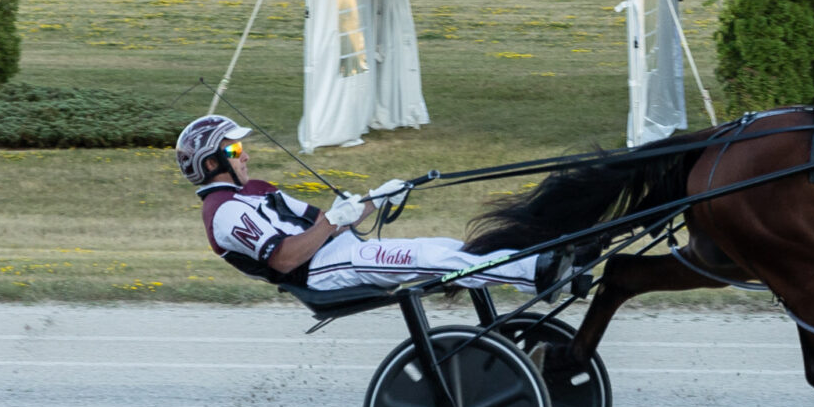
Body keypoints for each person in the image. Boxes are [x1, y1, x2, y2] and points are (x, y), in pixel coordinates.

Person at [176, 114, 576, 296]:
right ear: (211, 163)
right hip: (325, 272)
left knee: (448, 248)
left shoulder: (257, 189)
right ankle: (539, 273)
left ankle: (545, 259)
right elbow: (283, 259)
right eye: (234, 148)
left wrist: (378, 198)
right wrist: (334, 220)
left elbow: (325, 222)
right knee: (430, 257)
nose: (244, 154)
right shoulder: (225, 213)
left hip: (342, 252)